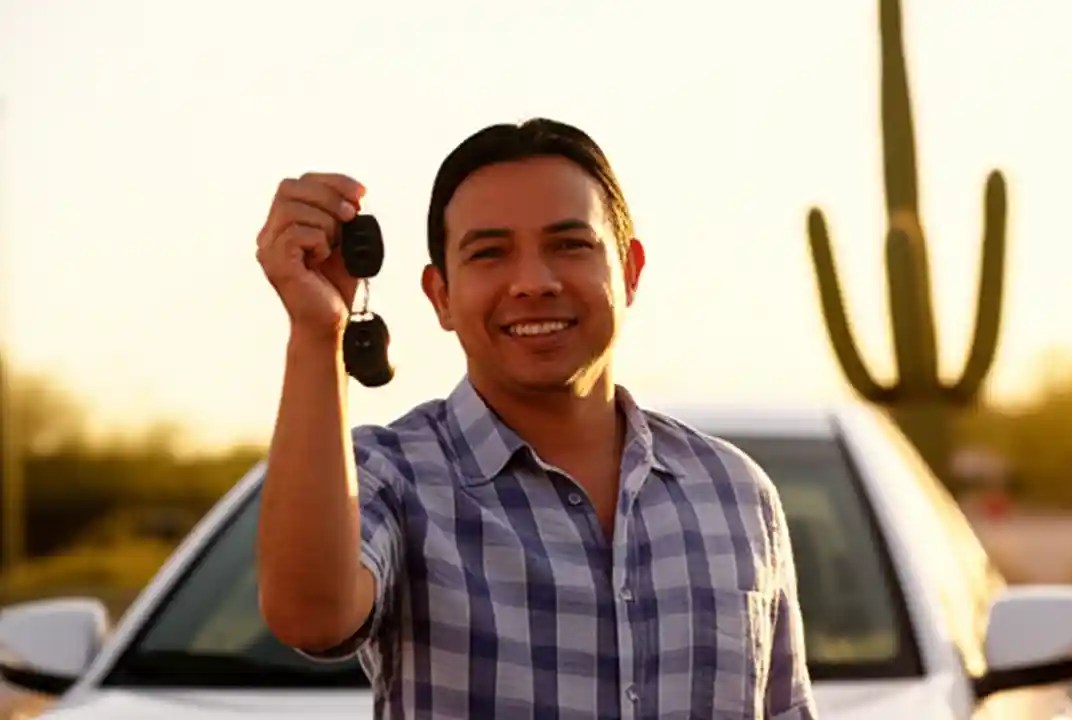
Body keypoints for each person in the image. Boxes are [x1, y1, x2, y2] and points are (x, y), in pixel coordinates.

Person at [254, 118, 817, 719]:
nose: (533, 282)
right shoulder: (391, 477)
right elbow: (310, 618)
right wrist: (318, 332)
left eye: (570, 245)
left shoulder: (734, 492)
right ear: (439, 295)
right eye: (490, 253)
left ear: (629, 272)